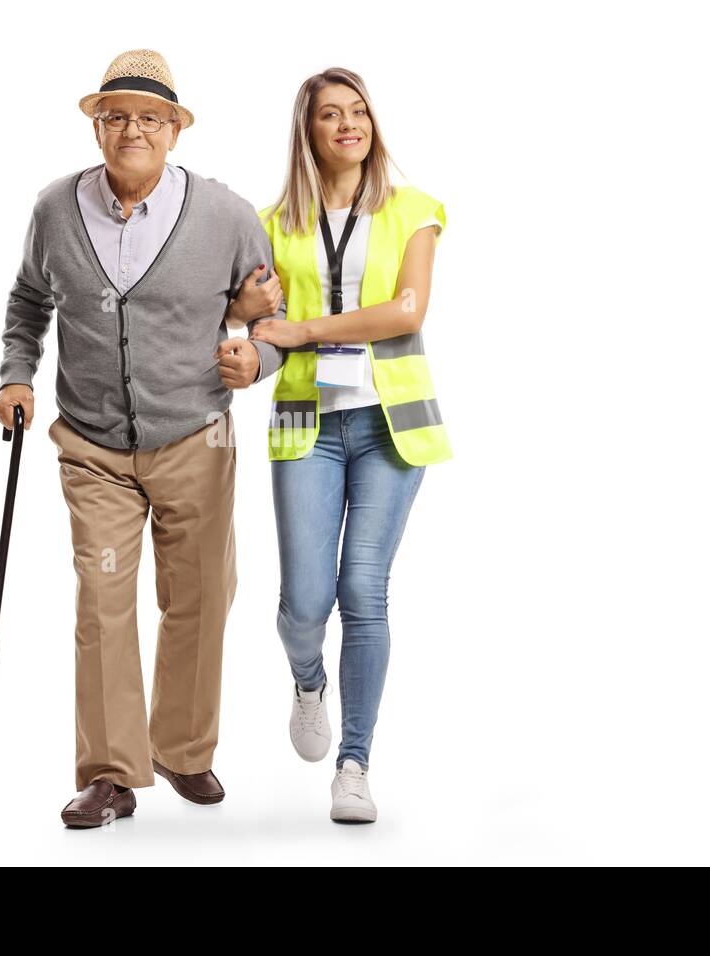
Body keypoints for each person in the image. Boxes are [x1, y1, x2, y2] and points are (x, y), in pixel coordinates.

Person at [0, 49, 287, 828]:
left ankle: (184, 749)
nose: (132, 130)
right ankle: (112, 773)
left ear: (174, 132)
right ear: (96, 126)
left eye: (149, 118)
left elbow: (270, 317)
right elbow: (28, 299)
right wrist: (15, 376)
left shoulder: (226, 216)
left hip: (196, 436)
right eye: (116, 115)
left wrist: (258, 356)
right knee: (103, 594)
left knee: (198, 597)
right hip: (91, 444)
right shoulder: (56, 209)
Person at [232, 66, 452, 823]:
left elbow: (406, 311)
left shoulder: (415, 209)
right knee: (304, 602)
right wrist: (257, 336)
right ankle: (307, 680)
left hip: (392, 424)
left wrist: (306, 329)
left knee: (364, 593)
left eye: (358, 111)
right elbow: (256, 324)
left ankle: (354, 764)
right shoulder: (271, 224)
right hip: (307, 422)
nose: (348, 125)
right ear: (309, 130)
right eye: (330, 114)